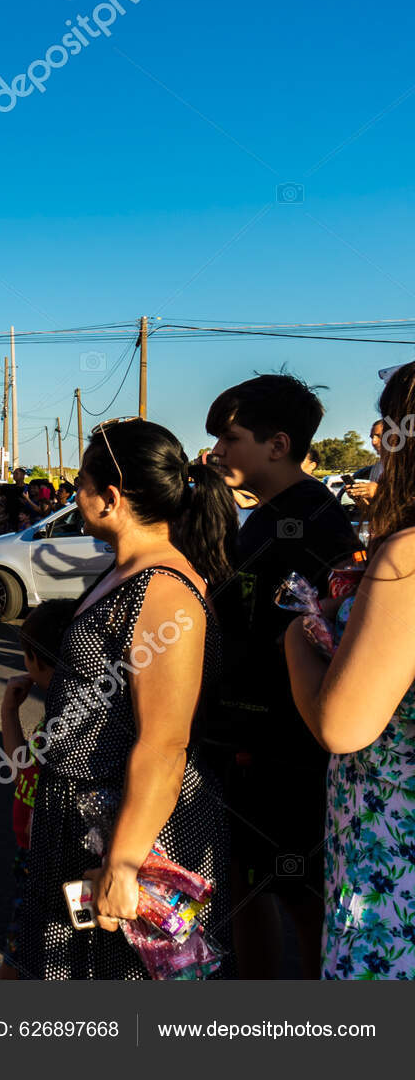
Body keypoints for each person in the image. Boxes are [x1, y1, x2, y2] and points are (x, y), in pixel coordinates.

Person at [12, 418, 236, 980]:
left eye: (81, 484)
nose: (74, 496)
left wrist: (124, 863)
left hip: (133, 831)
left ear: (110, 497)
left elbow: (165, 742)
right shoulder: (126, 571)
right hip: (85, 819)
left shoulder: (163, 589)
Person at [204, 373, 362, 979]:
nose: (218, 451)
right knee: (244, 888)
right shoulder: (265, 516)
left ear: (278, 444)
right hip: (245, 741)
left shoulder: (317, 521)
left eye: (231, 437)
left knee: (301, 896)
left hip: (289, 752)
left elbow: (331, 637)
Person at [286, 361, 415, 979]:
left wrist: (297, 640)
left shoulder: (409, 555)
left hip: (394, 866)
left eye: (388, 425)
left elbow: (343, 725)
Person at [0, 597, 75, 980]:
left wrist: (8, 711)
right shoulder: (63, 709)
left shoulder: (66, 719)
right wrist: (9, 712)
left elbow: (19, 771)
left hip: (47, 857)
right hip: (42, 852)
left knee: (23, 950)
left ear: (37, 661)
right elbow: (22, 769)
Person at [346, 418, 387, 510]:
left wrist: (379, 491)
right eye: (372, 437)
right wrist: (359, 499)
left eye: (379, 436)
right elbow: (371, 513)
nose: (373, 442)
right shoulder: (376, 468)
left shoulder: (408, 467)